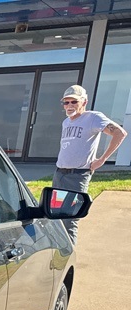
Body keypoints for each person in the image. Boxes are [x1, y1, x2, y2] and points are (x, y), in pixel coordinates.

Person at [53, 84, 127, 243]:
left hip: (77, 176)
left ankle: (68, 261)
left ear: (84, 102)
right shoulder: (66, 122)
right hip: (59, 174)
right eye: (66, 102)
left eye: (74, 102)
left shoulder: (93, 117)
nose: (70, 105)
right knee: (55, 215)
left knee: (70, 218)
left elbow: (120, 133)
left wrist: (102, 159)